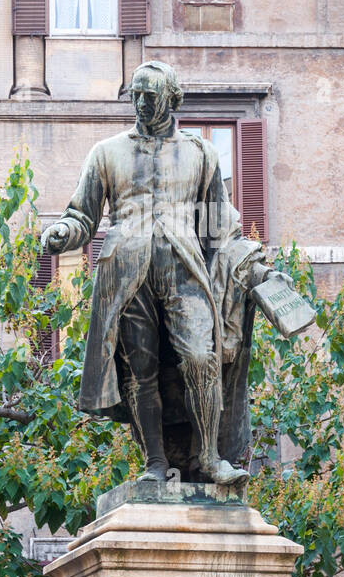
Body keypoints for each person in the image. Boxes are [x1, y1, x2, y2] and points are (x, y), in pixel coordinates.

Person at [40, 61, 287, 485]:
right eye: (135, 94)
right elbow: (82, 214)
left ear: (172, 100)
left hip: (183, 266)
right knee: (140, 370)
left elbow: (219, 227)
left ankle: (210, 458)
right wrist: (64, 232)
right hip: (124, 270)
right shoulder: (106, 152)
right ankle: (155, 463)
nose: (140, 103)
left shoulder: (200, 153)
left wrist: (254, 267)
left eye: (150, 96)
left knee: (200, 356)